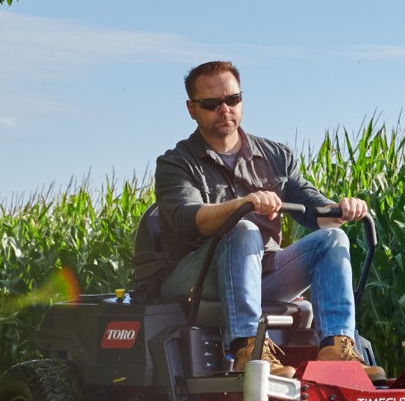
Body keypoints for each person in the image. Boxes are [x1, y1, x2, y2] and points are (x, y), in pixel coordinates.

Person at [151, 60, 381, 379]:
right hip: (197, 275)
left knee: (333, 239)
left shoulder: (276, 156)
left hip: (264, 271)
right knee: (243, 227)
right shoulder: (176, 164)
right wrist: (242, 204)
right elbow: (188, 219)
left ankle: (337, 348)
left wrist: (342, 209)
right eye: (212, 104)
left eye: (232, 99)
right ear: (192, 109)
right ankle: (250, 350)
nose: (224, 109)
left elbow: (316, 212)